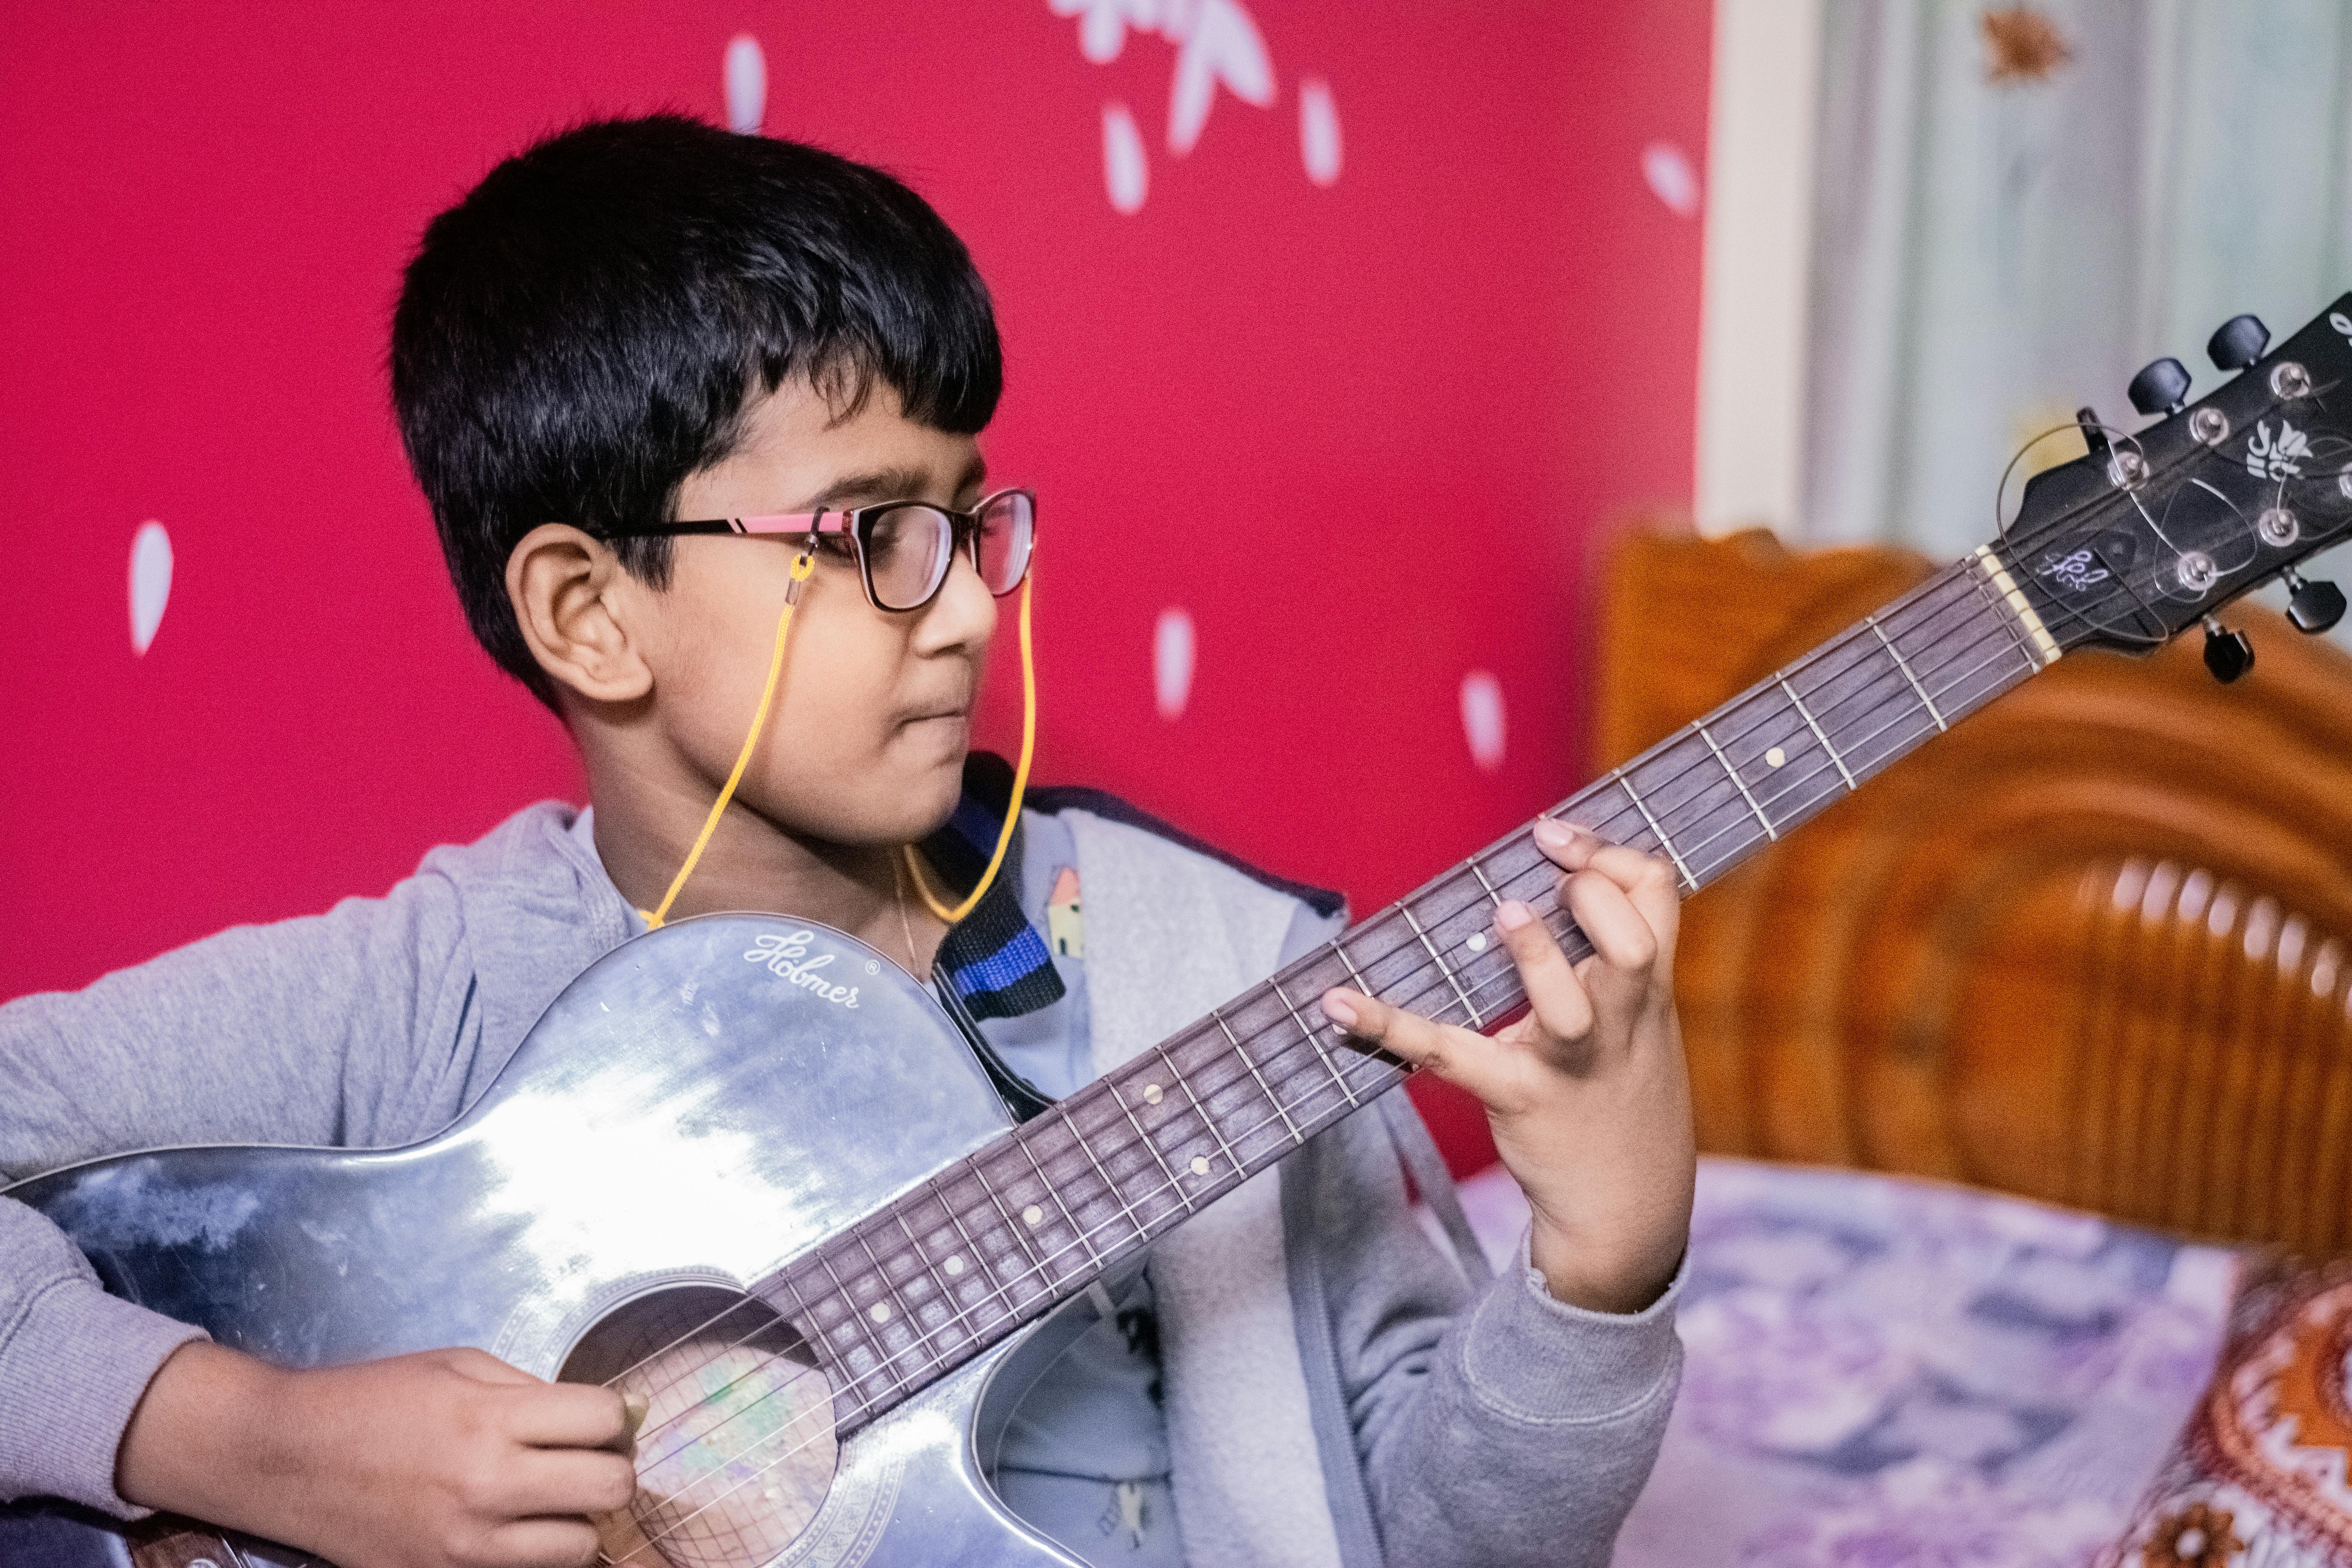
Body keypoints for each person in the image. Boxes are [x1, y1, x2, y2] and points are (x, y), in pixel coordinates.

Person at [0, 115, 1695, 1568]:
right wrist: (248, 1437)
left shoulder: (1219, 976)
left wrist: (1598, 1278)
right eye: (876, 533)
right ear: (591, 614)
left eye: (969, 518)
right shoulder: (435, 993)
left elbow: (1416, 1532)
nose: (962, 606)